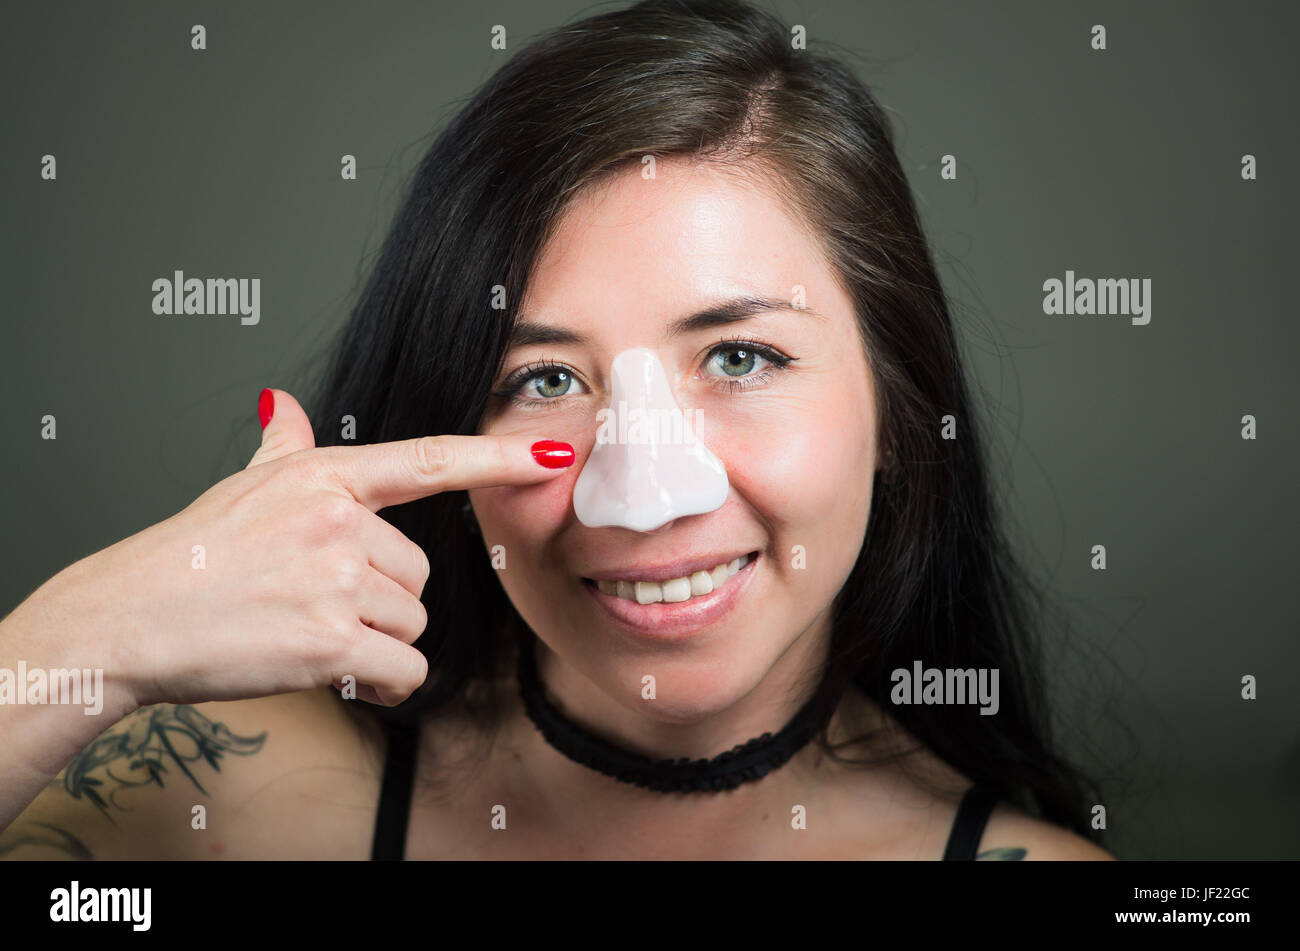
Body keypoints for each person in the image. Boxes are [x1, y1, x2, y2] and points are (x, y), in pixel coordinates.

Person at [0, 0, 1113, 860]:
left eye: (739, 358)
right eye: (541, 379)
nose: (643, 491)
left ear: (897, 413)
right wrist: (77, 643)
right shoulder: (230, 799)